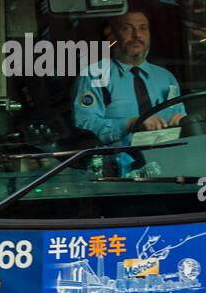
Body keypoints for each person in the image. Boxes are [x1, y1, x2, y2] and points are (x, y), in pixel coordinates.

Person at [73, 10, 185, 173]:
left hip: (169, 166)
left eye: (143, 28)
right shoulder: (94, 75)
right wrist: (130, 123)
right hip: (119, 173)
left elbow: (179, 117)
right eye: (127, 28)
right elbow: (84, 126)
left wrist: (181, 122)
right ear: (113, 35)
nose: (137, 35)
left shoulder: (166, 78)